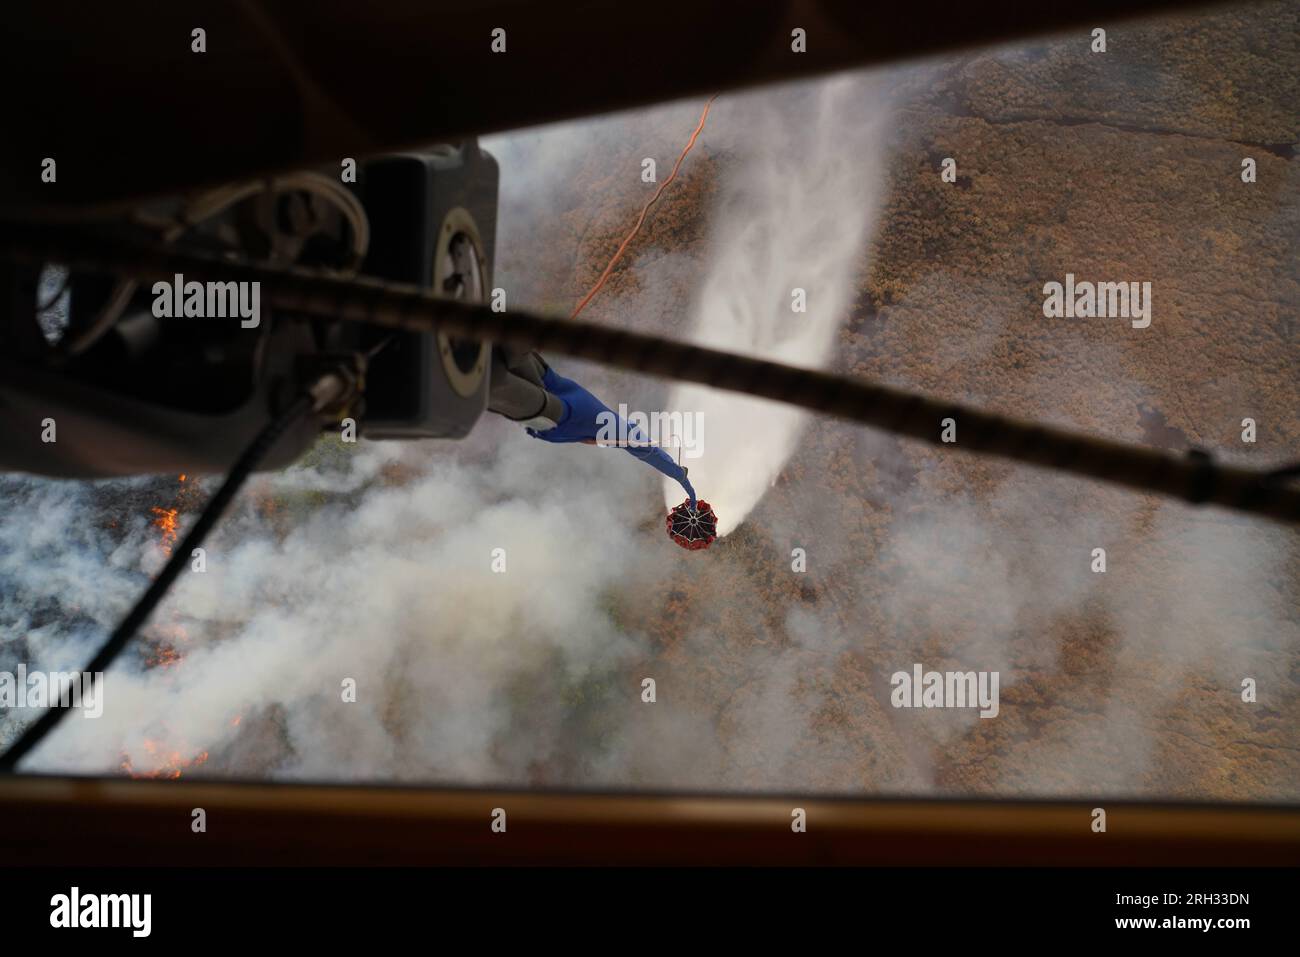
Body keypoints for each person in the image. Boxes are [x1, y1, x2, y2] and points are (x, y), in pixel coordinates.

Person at [487, 345, 696, 505]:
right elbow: (645, 449)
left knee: (504, 353)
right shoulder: (605, 427)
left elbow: (643, 447)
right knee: (495, 384)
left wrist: (680, 476)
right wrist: (679, 476)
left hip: (547, 382)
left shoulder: (604, 423)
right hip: (553, 412)